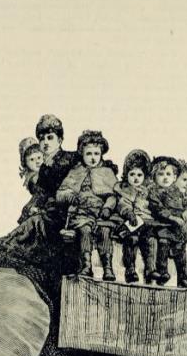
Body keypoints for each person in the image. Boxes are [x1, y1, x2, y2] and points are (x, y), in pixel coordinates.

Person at [57, 130, 121, 280]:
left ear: (101, 154)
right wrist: (70, 196)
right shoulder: (75, 172)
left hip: (101, 214)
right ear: (82, 153)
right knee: (84, 231)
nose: (92, 158)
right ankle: (86, 265)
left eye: (96, 154)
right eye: (89, 154)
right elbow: (61, 193)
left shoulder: (107, 172)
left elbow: (114, 196)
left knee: (105, 231)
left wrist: (107, 208)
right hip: (82, 213)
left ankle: (108, 268)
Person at [115, 149, 158, 283]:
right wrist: (129, 213)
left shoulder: (149, 192)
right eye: (132, 174)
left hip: (146, 223)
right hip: (132, 223)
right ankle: (130, 269)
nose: (135, 178)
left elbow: (154, 207)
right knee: (131, 240)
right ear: (126, 175)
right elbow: (122, 204)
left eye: (139, 174)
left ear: (145, 176)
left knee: (151, 240)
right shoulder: (125, 190)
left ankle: (151, 270)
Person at [147, 156, 187, 287]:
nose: (165, 177)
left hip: (178, 229)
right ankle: (162, 272)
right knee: (163, 244)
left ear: (174, 177)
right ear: (154, 176)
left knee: (181, 250)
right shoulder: (154, 192)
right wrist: (172, 218)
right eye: (160, 174)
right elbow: (158, 209)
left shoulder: (178, 192)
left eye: (168, 174)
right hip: (162, 226)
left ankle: (182, 277)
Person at [35, 114, 81, 234]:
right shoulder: (44, 168)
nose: (45, 142)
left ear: (60, 140)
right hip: (50, 211)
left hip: (69, 212)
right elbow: (41, 192)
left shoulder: (71, 158)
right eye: (41, 139)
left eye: (50, 138)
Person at [17, 137, 45, 224]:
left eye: (39, 157)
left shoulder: (44, 171)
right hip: (39, 202)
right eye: (32, 159)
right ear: (25, 163)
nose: (37, 162)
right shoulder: (33, 177)